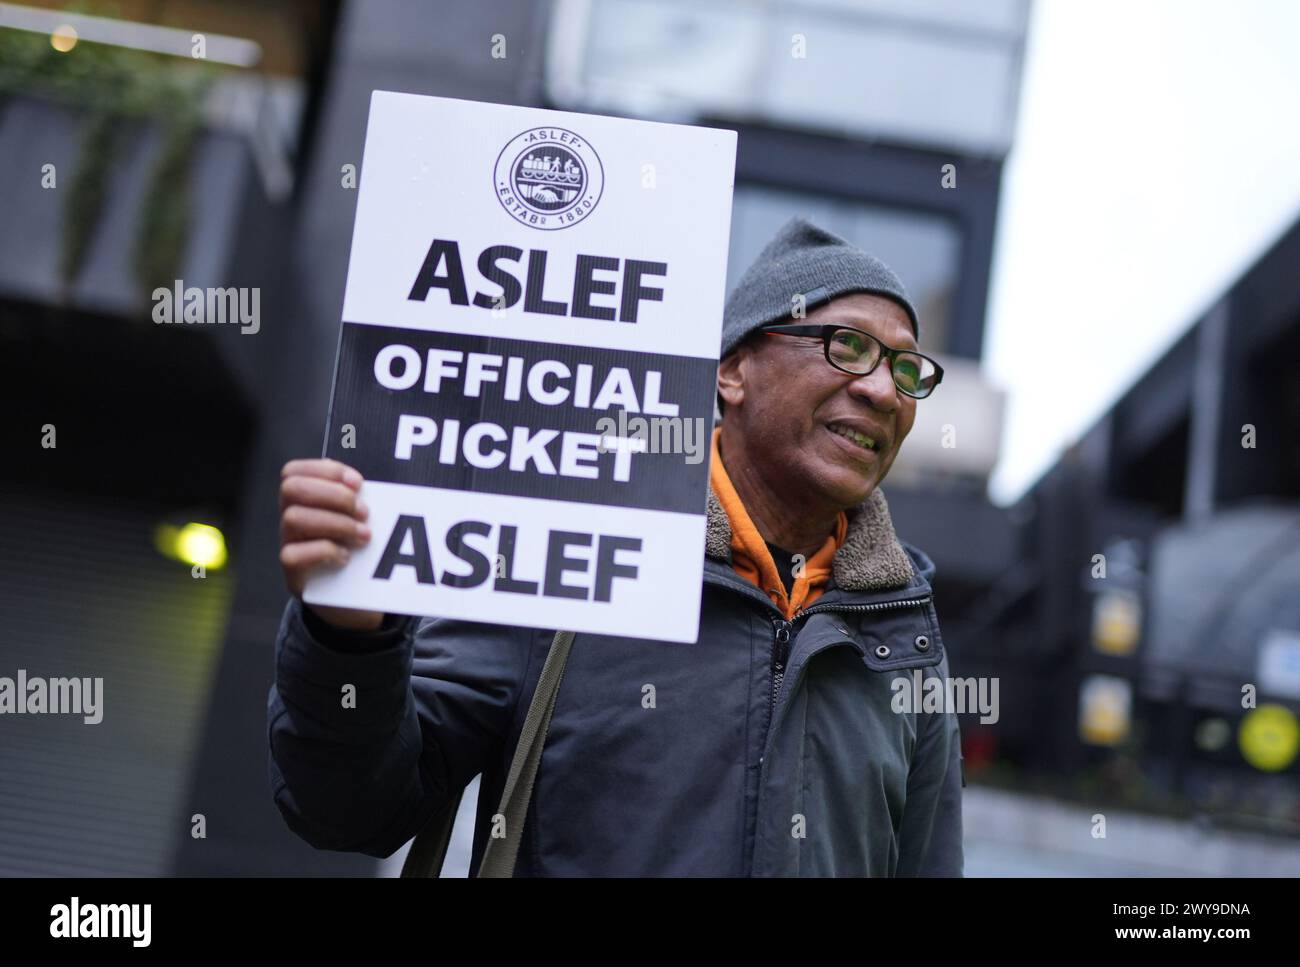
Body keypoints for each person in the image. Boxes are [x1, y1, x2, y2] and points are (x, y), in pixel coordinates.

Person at [268, 216, 964, 876]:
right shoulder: (569, 553)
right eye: (847, 345)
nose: (882, 390)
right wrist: (350, 639)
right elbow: (352, 809)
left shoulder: (903, 637)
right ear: (733, 369)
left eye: (908, 371)